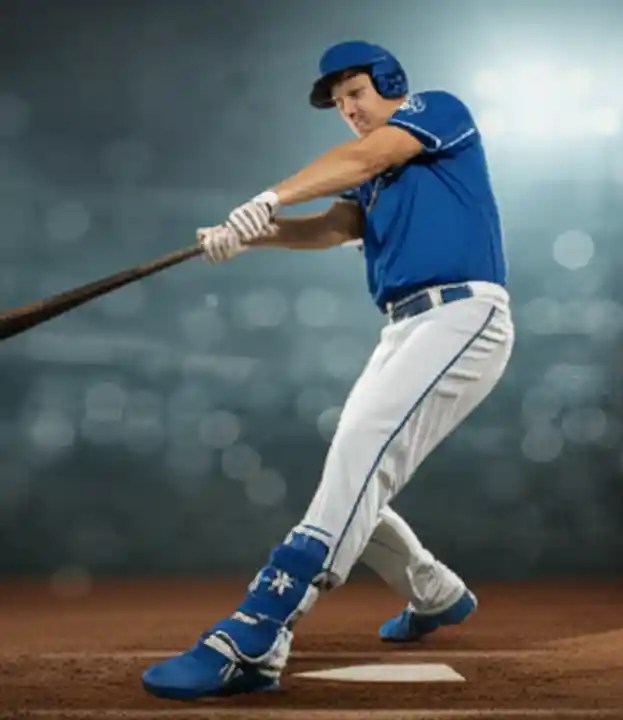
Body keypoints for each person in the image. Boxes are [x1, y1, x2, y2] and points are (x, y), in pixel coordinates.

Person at [141, 40, 514, 700]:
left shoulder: (435, 113)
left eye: (356, 93)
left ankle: (258, 631)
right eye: (338, 102)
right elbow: (333, 227)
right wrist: (251, 231)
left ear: (391, 83)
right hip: (404, 325)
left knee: (362, 457)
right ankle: (433, 590)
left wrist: (269, 194)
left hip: (462, 313)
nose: (348, 109)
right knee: (353, 461)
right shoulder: (372, 178)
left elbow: (369, 155)